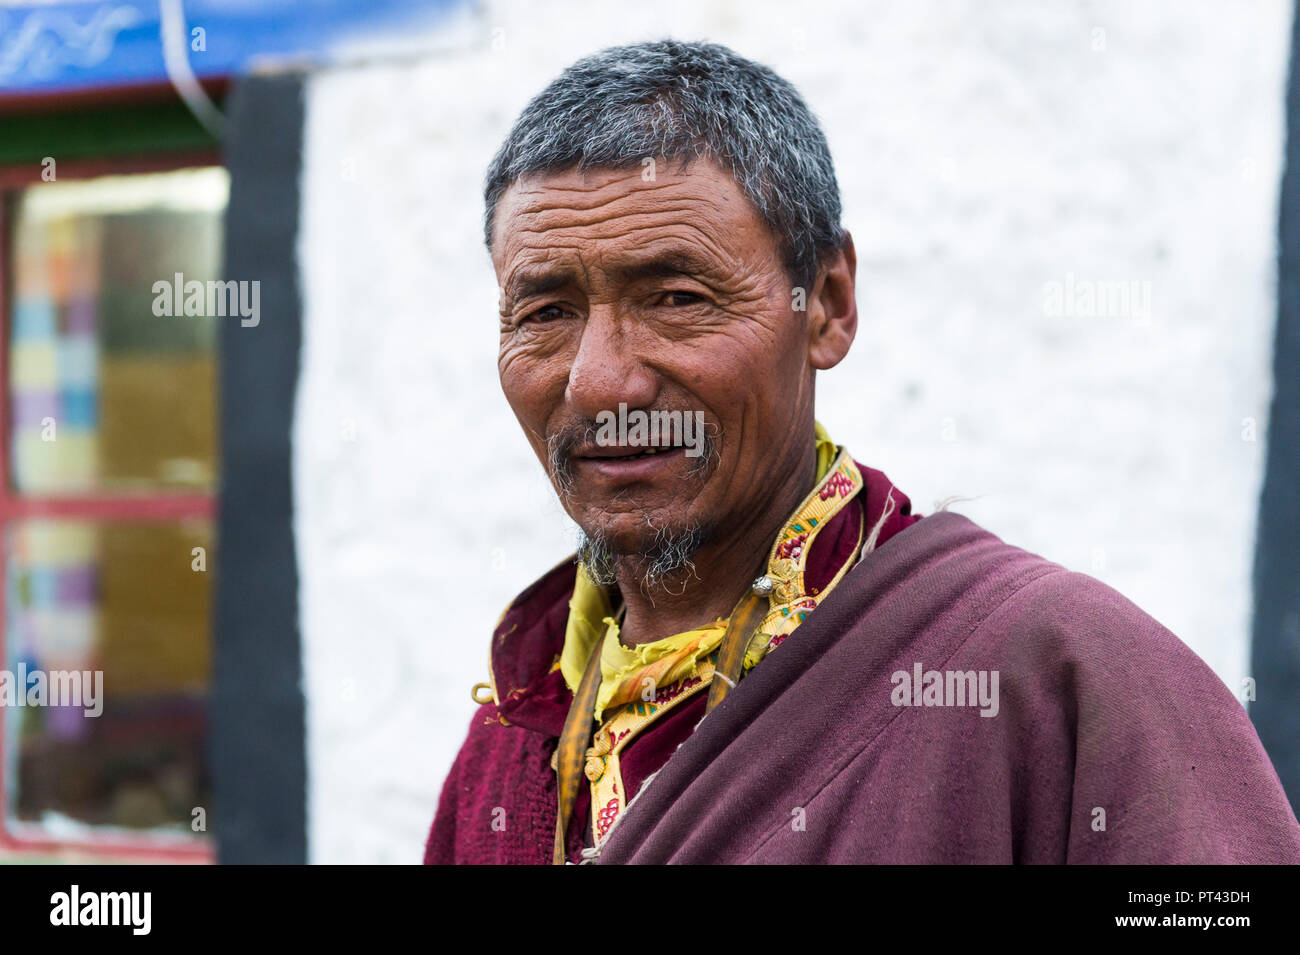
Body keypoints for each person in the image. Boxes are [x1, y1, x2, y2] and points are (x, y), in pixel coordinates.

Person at [425, 39, 1300, 864]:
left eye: (677, 298)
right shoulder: (516, 733)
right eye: (545, 313)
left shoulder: (1052, 668)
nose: (601, 384)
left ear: (830, 304)